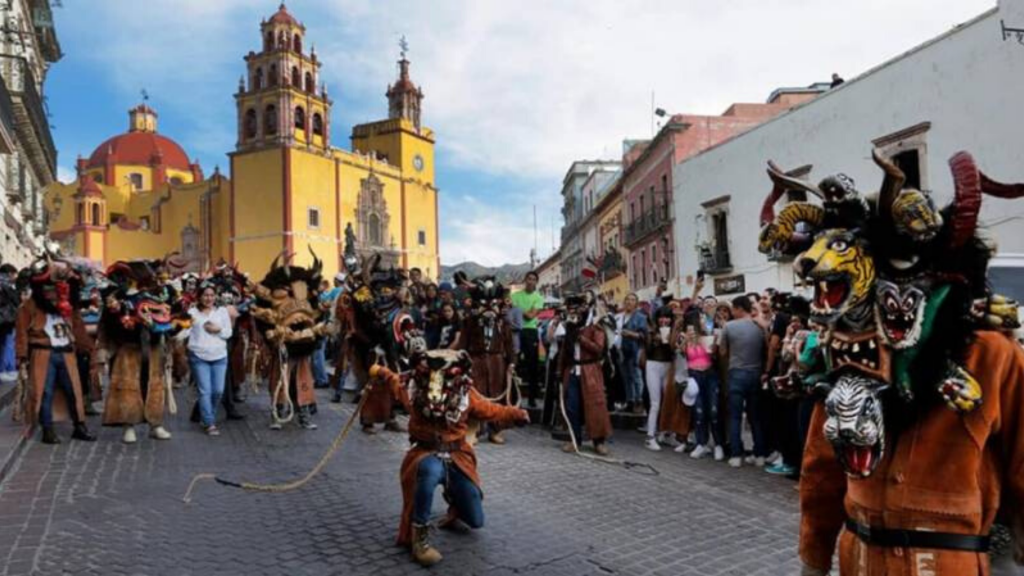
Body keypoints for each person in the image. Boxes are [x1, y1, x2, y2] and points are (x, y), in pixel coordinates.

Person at [370, 350, 529, 567]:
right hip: (426, 453)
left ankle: (455, 503)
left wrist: (516, 414)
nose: (437, 379)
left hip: (458, 456)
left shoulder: (465, 392)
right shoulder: (414, 389)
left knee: (475, 520)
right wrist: (379, 370)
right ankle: (419, 541)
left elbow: (491, 409)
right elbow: (393, 380)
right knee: (427, 475)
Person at [15, 262, 97, 444]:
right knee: (44, 391)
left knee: (74, 390)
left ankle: (79, 426)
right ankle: (47, 429)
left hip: (67, 353)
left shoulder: (69, 307)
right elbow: (21, 333)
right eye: (51, 287)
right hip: (42, 353)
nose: (56, 291)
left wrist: (89, 350)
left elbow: (78, 329)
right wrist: (21, 357)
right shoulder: (28, 307)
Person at [455, 276, 515, 444]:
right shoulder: (470, 322)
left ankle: (495, 430)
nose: (489, 307)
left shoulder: (503, 323)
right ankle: (474, 430)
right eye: (484, 303)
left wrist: (512, 362)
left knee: (497, 395)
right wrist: (462, 362)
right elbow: (463, 344)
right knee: (475, 395)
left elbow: (509, 344)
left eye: (494, 303)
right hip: (476, 361)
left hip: (497, 363)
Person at [556, 294, 612, 455]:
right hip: (573, 371)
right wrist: (559, 370)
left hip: (590, 372)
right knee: (572, 407)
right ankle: (575, 440)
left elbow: (599, 349)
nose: (574, 314)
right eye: (571, 311)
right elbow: (563, 352)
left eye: (577, 310)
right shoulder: (569, 328)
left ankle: (598, 441)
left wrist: (580, 338)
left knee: (595, 406)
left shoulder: (595, 327)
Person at [718, 296, 766, 467]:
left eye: (733, 308)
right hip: (756, 373)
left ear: (739, 308)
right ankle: (760, 454)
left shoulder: (729, 326)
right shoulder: (759, 326)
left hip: (736, 373)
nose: (731, 312)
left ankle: (736, 455)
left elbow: (722, 351)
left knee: (735, 416)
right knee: (755, 417)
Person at [187, 284, 233, 436]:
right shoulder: (192, 312)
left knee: (218, 391)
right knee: (205, 391)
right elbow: (185, 331)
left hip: (219, 355)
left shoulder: (221, 312)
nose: (209, 298)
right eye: (205, 295)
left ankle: (208, 416)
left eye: (212, 295)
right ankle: (209, 422)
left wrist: (217, 329)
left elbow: (228, 333)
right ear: (200, 296)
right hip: (199, 356)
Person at [643, 305, 676, 451]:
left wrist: (671, 340)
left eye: (667, 317)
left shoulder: (674, 330)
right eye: (661, 317)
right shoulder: (650, 330)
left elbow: (675, 350)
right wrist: (654, 340)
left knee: (668, 400)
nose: (664, 320)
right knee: (655, 402)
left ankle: (666, 432)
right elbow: (647, 350)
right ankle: (650, 437)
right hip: (653, 365)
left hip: (668, 365)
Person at [511, 271, 544, 408]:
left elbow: (530, 316)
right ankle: (512, 396)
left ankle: (532, 398)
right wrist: (522, 311)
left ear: (536, 282)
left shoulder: (539, 298)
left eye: (533, 279)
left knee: (532, 366)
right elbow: (512, 314)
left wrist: (518, 309)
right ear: (525, 280)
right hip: (516, 331)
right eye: (529, 278)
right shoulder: (514, 295)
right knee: (514, 364)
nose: (531, 281)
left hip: (531, 332)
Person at [618, 293, 647, 415]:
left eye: (632, 300)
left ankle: (639, 401)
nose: (629, 302)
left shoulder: (640, 317)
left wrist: (630, 334)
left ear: (636, 303)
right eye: (627, 299)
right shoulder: (620, 317)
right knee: (626, 377)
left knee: (636, 377)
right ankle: (629, 401)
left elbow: (644, 335)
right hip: (622, 351)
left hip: (635, 350)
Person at [0, 263, 19, 380]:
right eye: (14, 275)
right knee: (5, 344)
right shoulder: (6, 284)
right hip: (5, 319)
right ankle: (4, 370)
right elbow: (14, 300)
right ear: (10, 273)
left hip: (3, 318)